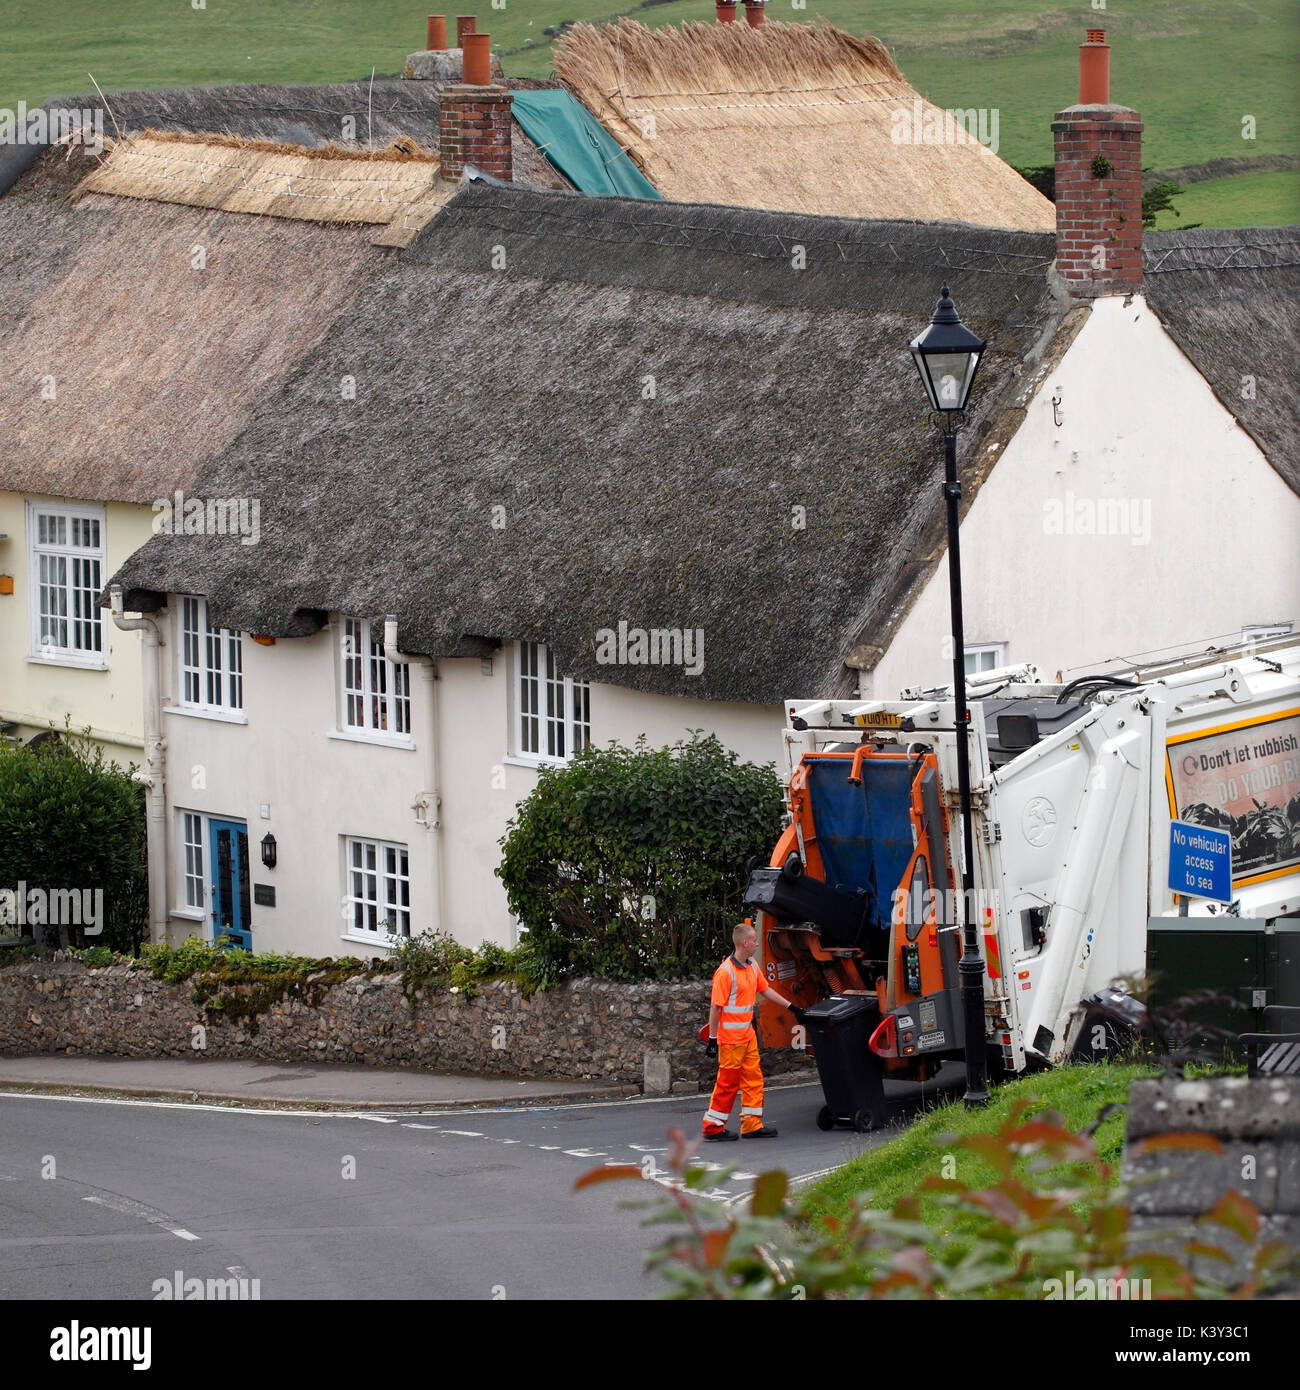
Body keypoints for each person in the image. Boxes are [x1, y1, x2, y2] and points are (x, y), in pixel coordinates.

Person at [702, 920, 801, 1141]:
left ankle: (751, 1124)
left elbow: (766, 991)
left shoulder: (752, 966)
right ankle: (712, 1127)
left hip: (747, 1036)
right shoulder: (725, 973)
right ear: (745, 943)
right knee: (727, 1084)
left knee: (754, 1080)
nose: (757, 944)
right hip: (730, 1040)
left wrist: (791, 1006)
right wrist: (712, 1039)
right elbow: (715, 1008)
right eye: (755, 941)